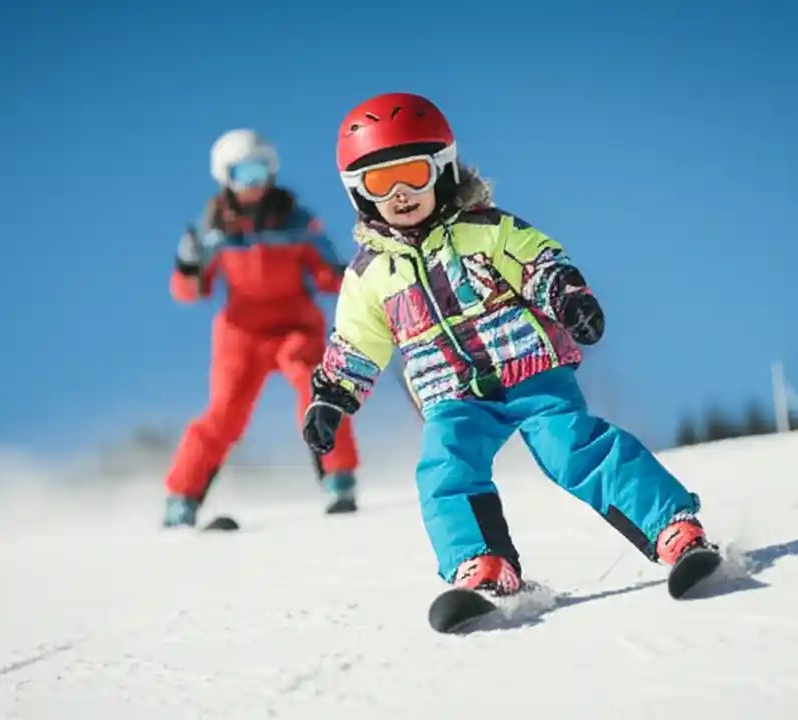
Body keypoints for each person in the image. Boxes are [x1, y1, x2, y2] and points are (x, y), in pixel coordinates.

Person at [300, 93, 718, 594]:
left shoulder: (488, 230)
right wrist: (330, 397)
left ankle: (672, 529)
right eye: (380, 182)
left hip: (532, 373)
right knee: (444, 467)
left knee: (572, 447)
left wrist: (570, 300)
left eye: (412, 174)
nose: (400, 193)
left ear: (443, 170)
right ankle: (483, 566)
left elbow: (540, 265)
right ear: (358, 192)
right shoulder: (369, 275)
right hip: (453, 397)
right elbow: (357, 344)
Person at [163, 128, 360, 527]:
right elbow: (190, 291)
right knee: (224, 413)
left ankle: (339, 480)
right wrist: (188, 267)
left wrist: (359, 277)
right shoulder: (213, 227)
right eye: (244, 174)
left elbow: (328, 275)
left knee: (316, 391)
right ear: (225, 177)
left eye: (261, 171)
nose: (255, 184)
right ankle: (182, 498)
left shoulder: (296, 220)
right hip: (242, 332)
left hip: (295, 325)